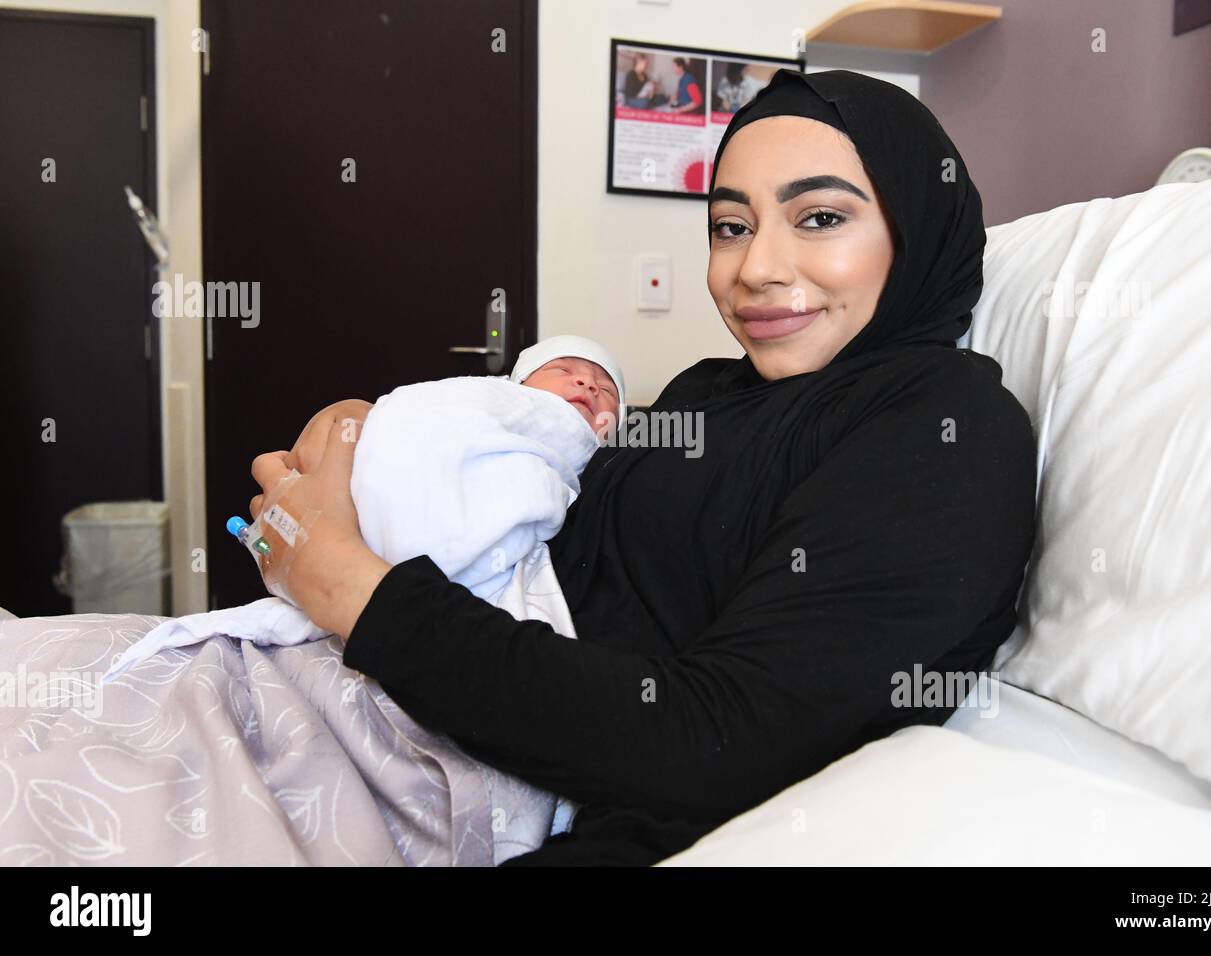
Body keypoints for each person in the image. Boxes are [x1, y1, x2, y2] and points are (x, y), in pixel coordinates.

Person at [246, 69, 1038, 866]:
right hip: (326, 689)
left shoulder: (944, 428)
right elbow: (542, 509)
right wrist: (370, 432)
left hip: (429, 771)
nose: (755, 268)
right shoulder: (708, 389)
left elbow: (713, 740)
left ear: (919, 226)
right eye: (731, 226)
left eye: (821, 217)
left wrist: (342, 581)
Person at [104, 337, 623, 682]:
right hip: (360, 567)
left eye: (605, 392)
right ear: (520, 385)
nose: (587, 388)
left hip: (394, 603)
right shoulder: (483, 403)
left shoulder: (599, 469)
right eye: (567, 372)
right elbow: (410, 429)